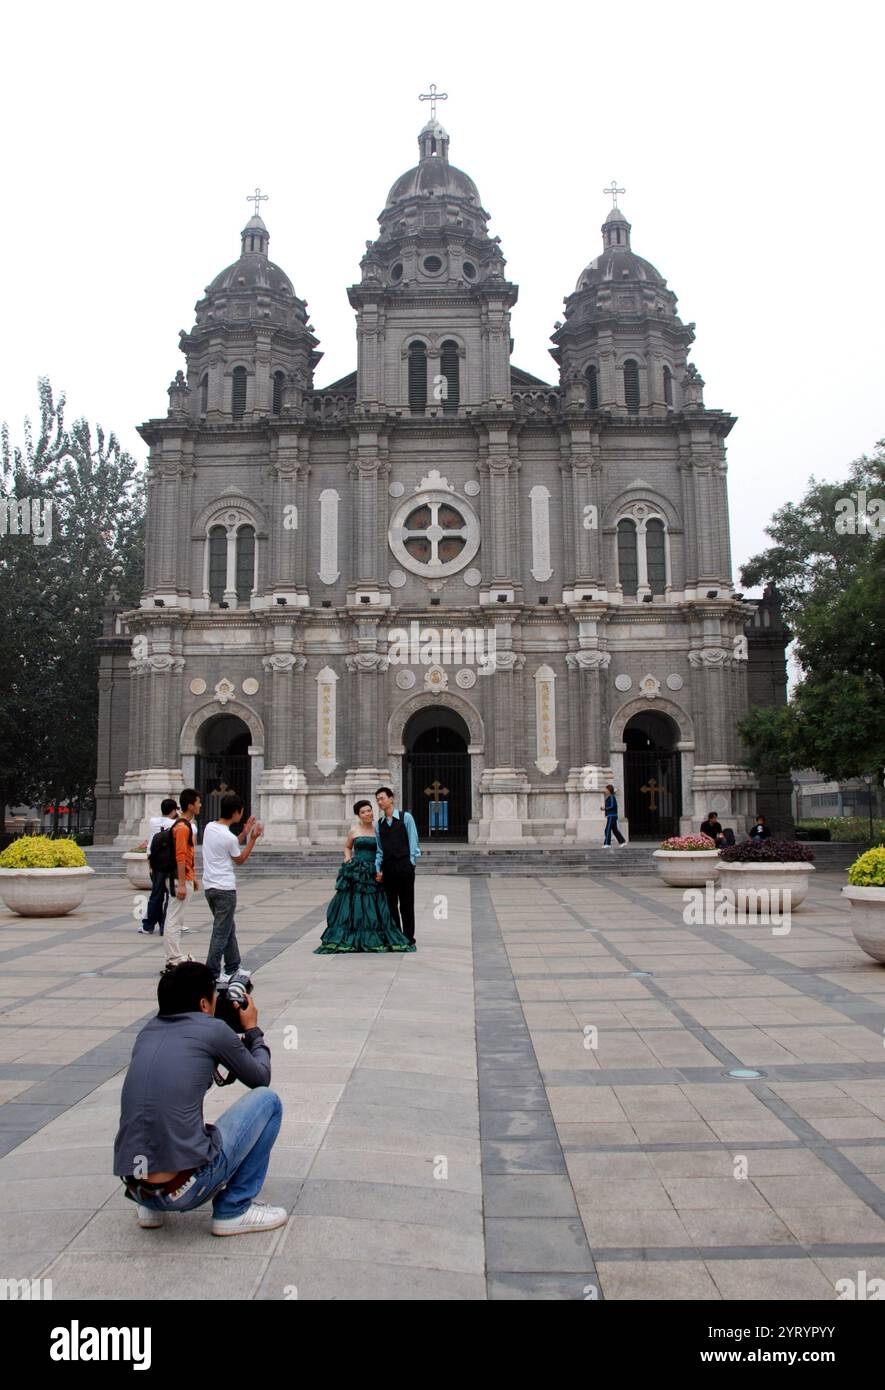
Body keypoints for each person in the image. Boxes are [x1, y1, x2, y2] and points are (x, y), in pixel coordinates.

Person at [113, 960, 285, 1236]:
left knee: (163, 1117)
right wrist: (253, 1030)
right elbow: (260, 1078)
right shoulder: (213, 1030)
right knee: (268, 1101)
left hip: (137, 1187)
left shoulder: (147, 1032)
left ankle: (151, 1207)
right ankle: (234, 1208)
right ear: (204, 1005)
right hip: (186, 1188)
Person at [315, 800, 416, 954]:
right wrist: (347, 858)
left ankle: (379, 935)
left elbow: (384, 850)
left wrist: (381, 870)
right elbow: (348, 846)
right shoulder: (354, 831)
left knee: (376, 903)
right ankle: (354, 934)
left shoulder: (380, 827)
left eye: (369, 810)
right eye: (363, 812)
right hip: (357, 870)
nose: (367, 814)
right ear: (358, 815)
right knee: (353, 903)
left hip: (374, 869)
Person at [203, 794, 263, 981]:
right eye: (241, 812)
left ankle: (233, 967)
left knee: (228, 928)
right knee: (221, 932)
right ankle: (212, 972)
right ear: (236, 812)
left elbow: (228, 847)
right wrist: (252, 838)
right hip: (225, 889)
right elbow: (239, 859)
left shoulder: (209, 828)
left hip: (210, 887)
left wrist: (244, 833)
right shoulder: (228, 837)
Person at [374, 787, 421, 946]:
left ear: (391, 798)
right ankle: (396, 936)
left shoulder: (406, 817)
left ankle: (409, 938)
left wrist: (411, 863)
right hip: (388, 868)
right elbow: (380, 849)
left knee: (407, 904)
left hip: (404, 866)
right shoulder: (379, 824)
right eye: (378, 800)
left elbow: (413, 841)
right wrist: (378, 868)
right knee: (391, 904)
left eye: (382, 798)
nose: (380, 802)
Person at [164, 788, 202, 969]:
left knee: (177, 919)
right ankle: (173, 958)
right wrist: (181, 883)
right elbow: (180, 856)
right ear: (190, 805)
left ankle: (175, 955)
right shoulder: (181, 828)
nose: (200, 805)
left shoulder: (184, 826)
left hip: (184, 877)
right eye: (198, 802)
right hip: (178, 879)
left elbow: (188, 856)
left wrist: (192, 878)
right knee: (173, 919)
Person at [138, 797, 179, 937]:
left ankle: (148, 925)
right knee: (170, 896)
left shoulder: (153, 822)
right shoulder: (176, 824)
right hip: (171, 863)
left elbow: (150, 843)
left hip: (156, 862)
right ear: (174, 810)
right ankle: (164, 925)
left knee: (156, 895)